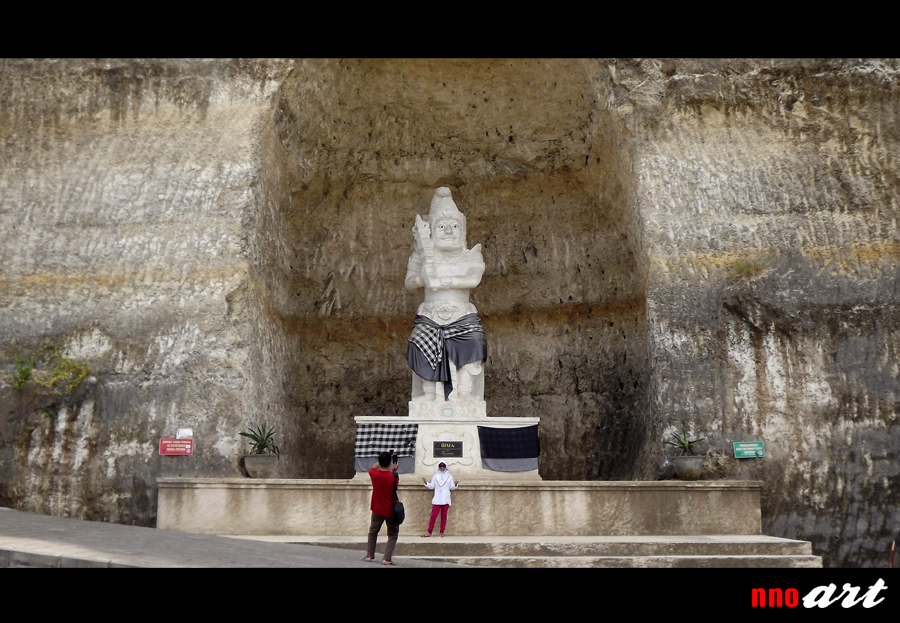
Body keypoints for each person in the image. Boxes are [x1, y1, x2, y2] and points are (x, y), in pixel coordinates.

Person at [406, 187, 487, 403]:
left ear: (464, 233)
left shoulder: (471, 256)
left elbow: (473, 279)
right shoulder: (421, 256)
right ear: (431, 231)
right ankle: (430, 393)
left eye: (455, 226)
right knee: (421, 346)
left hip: (462, 314)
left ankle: (464, 392)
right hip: (431, 314)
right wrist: (424, 277)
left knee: (474, 344)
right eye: (441, 226)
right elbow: (409, 282)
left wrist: (443, 282)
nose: (449, 231)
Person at [365, 451, 400, 565]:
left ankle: (370, 555)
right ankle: (387, 558)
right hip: (391, 510)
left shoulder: (374, 474)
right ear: (390, 463)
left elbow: (372, 468)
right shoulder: (393, 477)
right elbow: (394, 487)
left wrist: (380, 462)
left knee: (373, 532)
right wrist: (393, 471)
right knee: (393, 534)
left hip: (377, 509)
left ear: (379, 462)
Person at [421, 461, 459, 537]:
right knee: (433, 515)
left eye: (443, 466)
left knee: (443, 516)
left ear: (446, 467)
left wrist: (455, 484)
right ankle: (429, 532)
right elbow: (432, 486)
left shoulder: (449, 476)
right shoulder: (435, 476)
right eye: (440, 466)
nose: (442, 468)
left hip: (445, 499)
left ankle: (441, 532)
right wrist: (426, 483)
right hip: (437, 499)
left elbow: (451, 487)